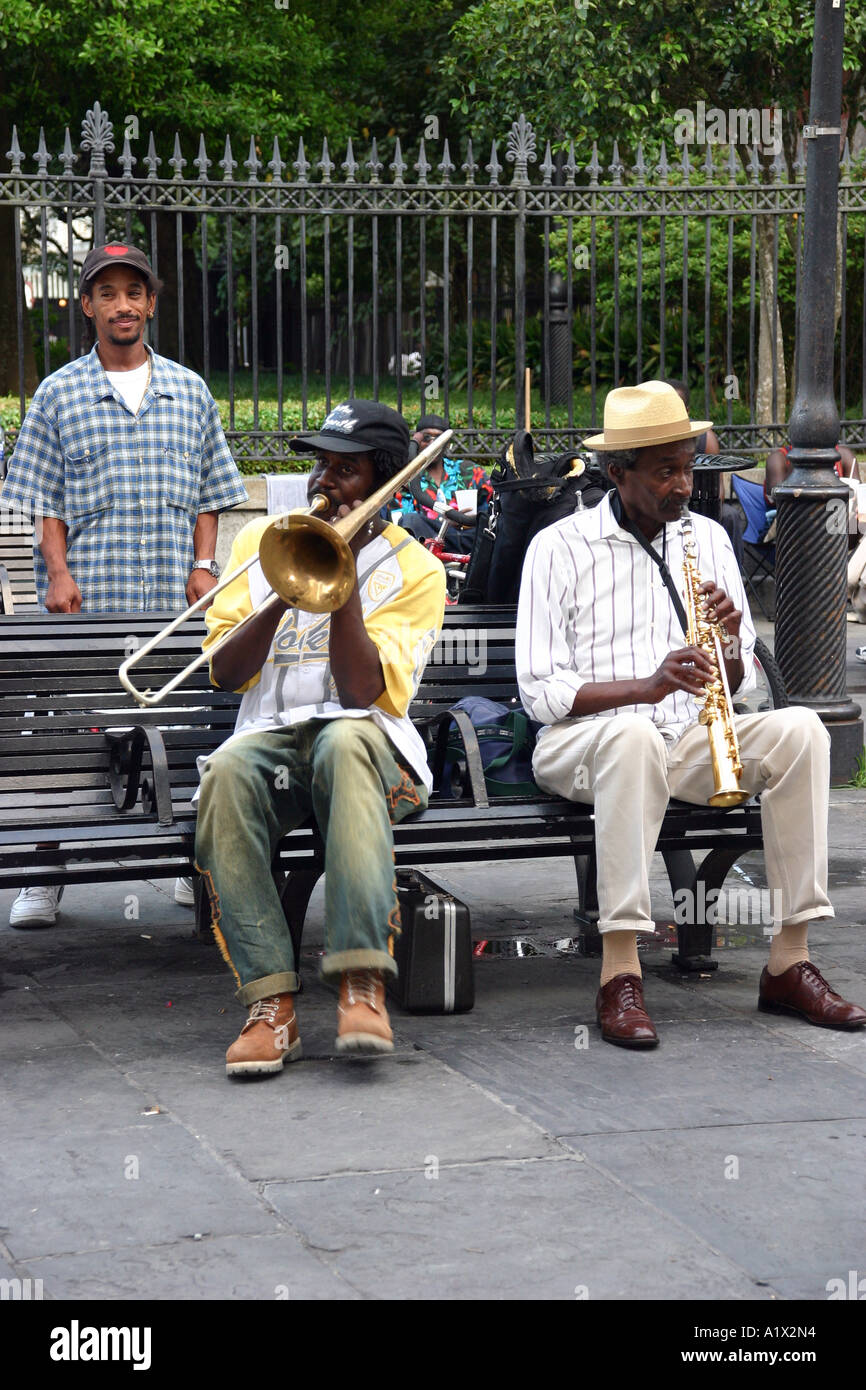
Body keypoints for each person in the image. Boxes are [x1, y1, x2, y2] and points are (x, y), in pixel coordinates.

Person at [516, 380, 866, 1049]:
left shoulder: (705, 538)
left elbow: (734, 684)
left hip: (683, 740)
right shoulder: (558, 548)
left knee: (801, 731)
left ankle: (790, 960)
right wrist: (645, 688)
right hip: (583, 742)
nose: (683, 486)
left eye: (687, 466)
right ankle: (619, 971)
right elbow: (542, 694)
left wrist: (731, 644)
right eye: (665, 472)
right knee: (631, 734)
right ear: (618, 475)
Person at [194, 400, 446, 1077]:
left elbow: (364, 692)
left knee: (341, 741)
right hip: (272, 742)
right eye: (321, 464)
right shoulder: (260, 545)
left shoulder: (419, 570)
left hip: (372, 751)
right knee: (224, 772)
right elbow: (224, 672)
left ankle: (362, 980)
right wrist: (286, 585)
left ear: (386, 482)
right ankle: (271, 1007)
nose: (324, 481)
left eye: (347, 469)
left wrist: (342, 578)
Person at [2, 242, 248, 927]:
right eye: (106, 293)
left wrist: (205, 563)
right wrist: (56, 572)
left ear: (150, 303)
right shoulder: (57, 393)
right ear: (87, 306)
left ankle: (184, 866)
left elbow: (209, 491)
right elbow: (43, 498)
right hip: (92, 595)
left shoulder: (189, 390)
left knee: (177, 731)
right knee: (71, 729)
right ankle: (43, 872)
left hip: (174, 596)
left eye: (132, 293)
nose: (122, 305)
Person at [396, 413, 493, 554]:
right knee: (411, 520)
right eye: (426, 437)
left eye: (439, 438)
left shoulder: (469, 471)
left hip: (467, 538)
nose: (432, 443)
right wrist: (447, 522)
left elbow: (494, 505)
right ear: (417, 441)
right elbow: (405, 525)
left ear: (447, 443)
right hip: (428, 543)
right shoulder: (407, 478)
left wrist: (470, 520)